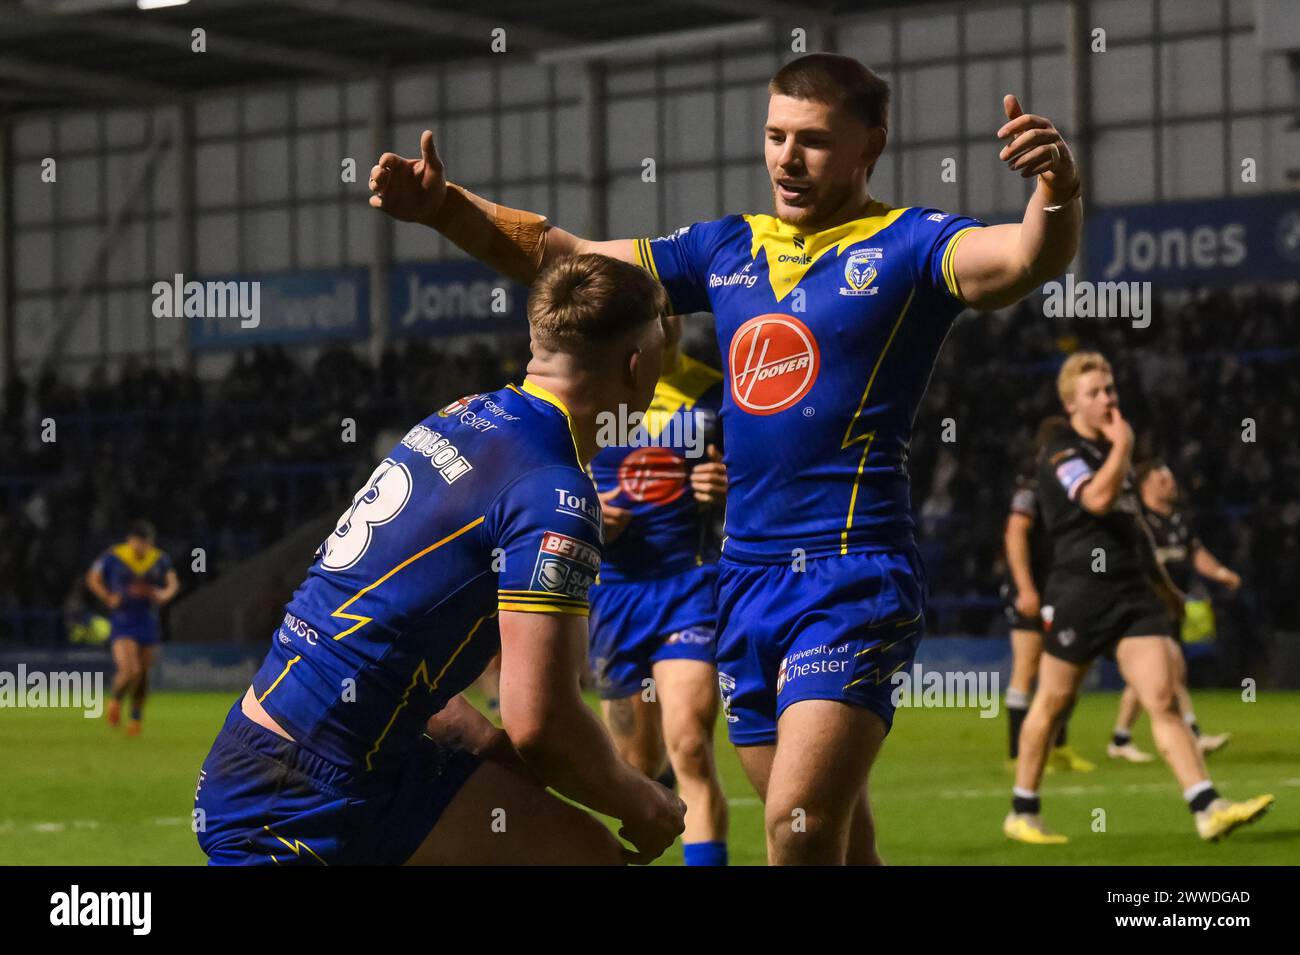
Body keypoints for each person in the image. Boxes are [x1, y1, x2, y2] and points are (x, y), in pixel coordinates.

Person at [371, 52, 1083, 864]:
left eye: (812, 140)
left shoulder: (912, 245)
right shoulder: (728, 249)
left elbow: (1025, 258)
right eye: (775, 135)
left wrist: (1056, 190)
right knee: (841, 843)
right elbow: (565, 259)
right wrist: (449, 209)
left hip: (851, 577)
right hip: (741, 583)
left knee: (796, 826)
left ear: (869, 148)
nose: (786, 157)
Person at [195, 254, 686, 865]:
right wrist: (640, 798)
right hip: (294, 797)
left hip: (321, 753)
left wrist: (496, 754)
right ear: (639, 366)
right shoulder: (553, 494)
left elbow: (402, 641)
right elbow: (542, 720)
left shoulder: (461, 418)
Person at [1004, 352, 1272, 844]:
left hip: (1130, 594)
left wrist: (1167, 591)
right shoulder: (1062, 450)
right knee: (1053, 701)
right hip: (1079, 595)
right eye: (1095, 392)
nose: (1107, 399)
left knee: (1164, 697)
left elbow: (1135, 532)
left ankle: (1207, 807)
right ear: (1071, 404)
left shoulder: (1114, 454)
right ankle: (1023, 810)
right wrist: (1123, 445)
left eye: (1110, 389)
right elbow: (1096, 500)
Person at [588, 313, 730, 865]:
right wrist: (589, 514)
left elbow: (758, 477)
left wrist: (723, 487)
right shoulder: (592, 390)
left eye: (664, 311)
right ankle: (658, 782)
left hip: (688, 585)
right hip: (614, 594)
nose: (658, 324)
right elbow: (551, 476)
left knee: (692, 745)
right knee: (634, 769)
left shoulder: (715, 392)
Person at [1107, 459, 1239, 762]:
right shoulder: (1136, 519)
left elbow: (1195, 553)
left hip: (1172, 605)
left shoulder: (1179, 519)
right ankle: (1192, 734)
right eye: (1163, 480)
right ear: (1146, 485)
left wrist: (1220, 572)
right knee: (1171, 667)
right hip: (1141, 602)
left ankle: (1120, 739)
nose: (1171, 484)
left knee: (1147, 677)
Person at [1001, 417, 1093, 773]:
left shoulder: (1065, 485)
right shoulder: (1031, 485)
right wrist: (1025, 588)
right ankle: (1015, 752)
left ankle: (1058, 747)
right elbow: (1015, 533)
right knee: (1027, 666)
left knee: (1063, 665)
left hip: (1059, 585)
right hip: (1030, 585)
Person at [85, 520, 178, 735]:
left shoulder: (159, 559)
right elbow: (93, 578)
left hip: (148, 621)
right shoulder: (114, 556)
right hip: (123, 621)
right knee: (130, 670)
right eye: (139, 542)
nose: (142, 547)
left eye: (146, 543)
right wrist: (107, 596)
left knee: (144, 673)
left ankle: (136, 717)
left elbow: (172, 583)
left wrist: (164, 594)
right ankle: (115, 700)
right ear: (130, 541)